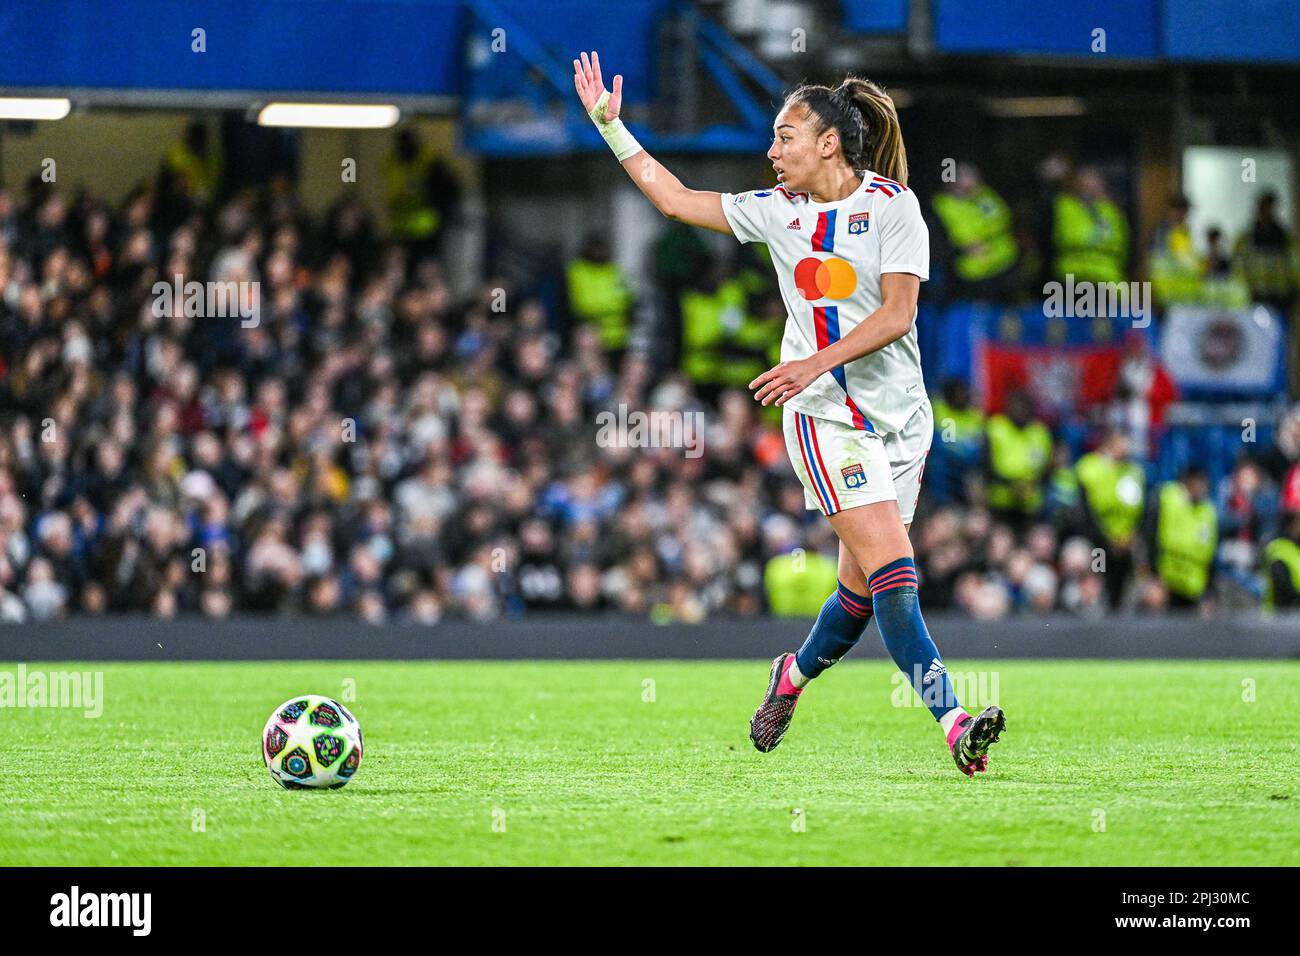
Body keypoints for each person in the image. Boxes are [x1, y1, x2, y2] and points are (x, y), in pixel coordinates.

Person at [573, 51, 1005, 776]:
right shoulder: (777, 214)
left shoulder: (894, 208)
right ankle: (955, 719)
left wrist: (814, 357)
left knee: (860, 593)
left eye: (785, 137)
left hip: (901, 420)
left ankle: (791, 677)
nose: (772, 152)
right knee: (897, 573)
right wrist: (613, 129)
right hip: (822, 418)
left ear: (828, 143)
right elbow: (677, 199)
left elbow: (899, 316)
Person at [931, 162, 1019, 302]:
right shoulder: (942, 205)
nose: (974, 178)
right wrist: (962, 247)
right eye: (967, 175)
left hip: (1005, 262)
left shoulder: (983, 195)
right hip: (973, 273)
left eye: (973, 173)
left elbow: (1003, 217)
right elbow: (942, 240)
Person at [1052, 166, 1129, 286]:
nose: (1089, 188)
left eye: (1094, 183)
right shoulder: (1065, 205)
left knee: (1134, 302)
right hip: (1074, 274)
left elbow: (1120, 243)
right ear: (1077, 185)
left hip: (1109, 275)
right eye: (1085, 184)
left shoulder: (1111, 211)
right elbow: (1068, 237)